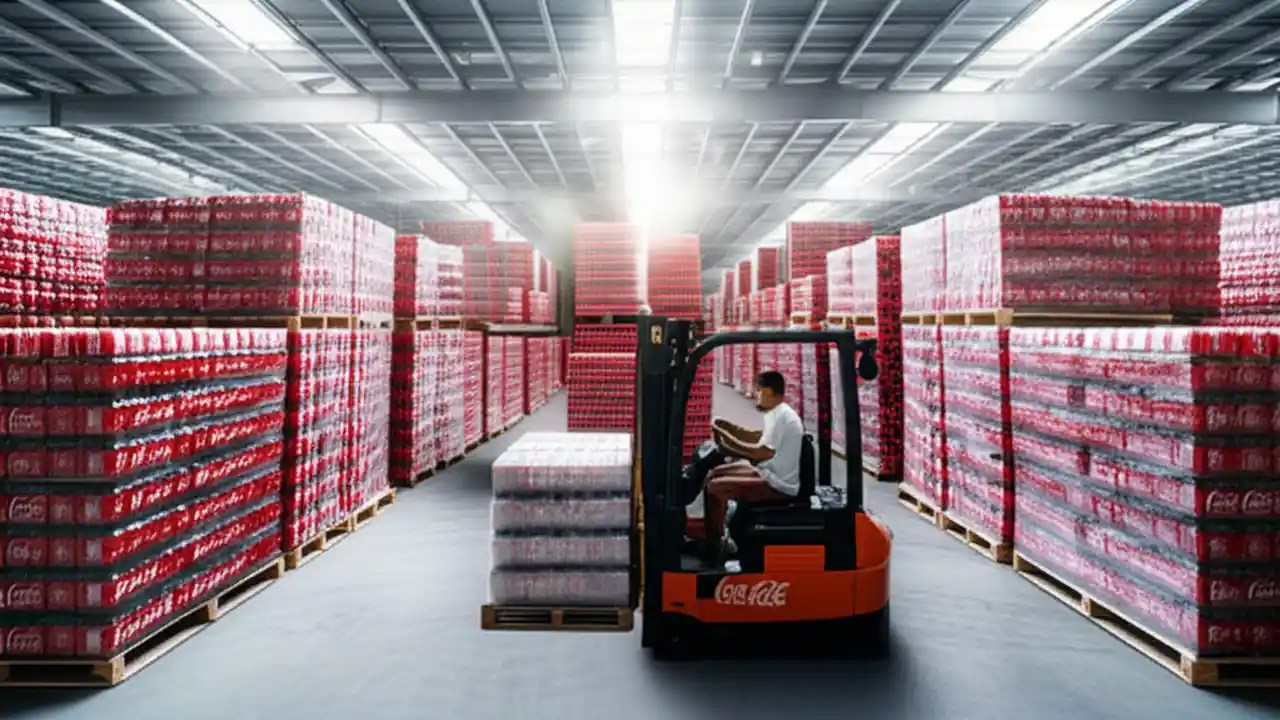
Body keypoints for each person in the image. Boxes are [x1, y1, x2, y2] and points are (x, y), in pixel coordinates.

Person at [702, 370, 804, 560]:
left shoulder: (783, 416)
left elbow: (760, 453)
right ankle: (714, 535)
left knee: (716, 488)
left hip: (778, 484)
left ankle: (714, 550)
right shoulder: (776, 413)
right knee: (714, 474)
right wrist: (729, 428)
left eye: (760, 391)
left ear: (771, 392)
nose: (757, 395)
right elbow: (756, 436)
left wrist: (729, 446)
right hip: (769, 473)